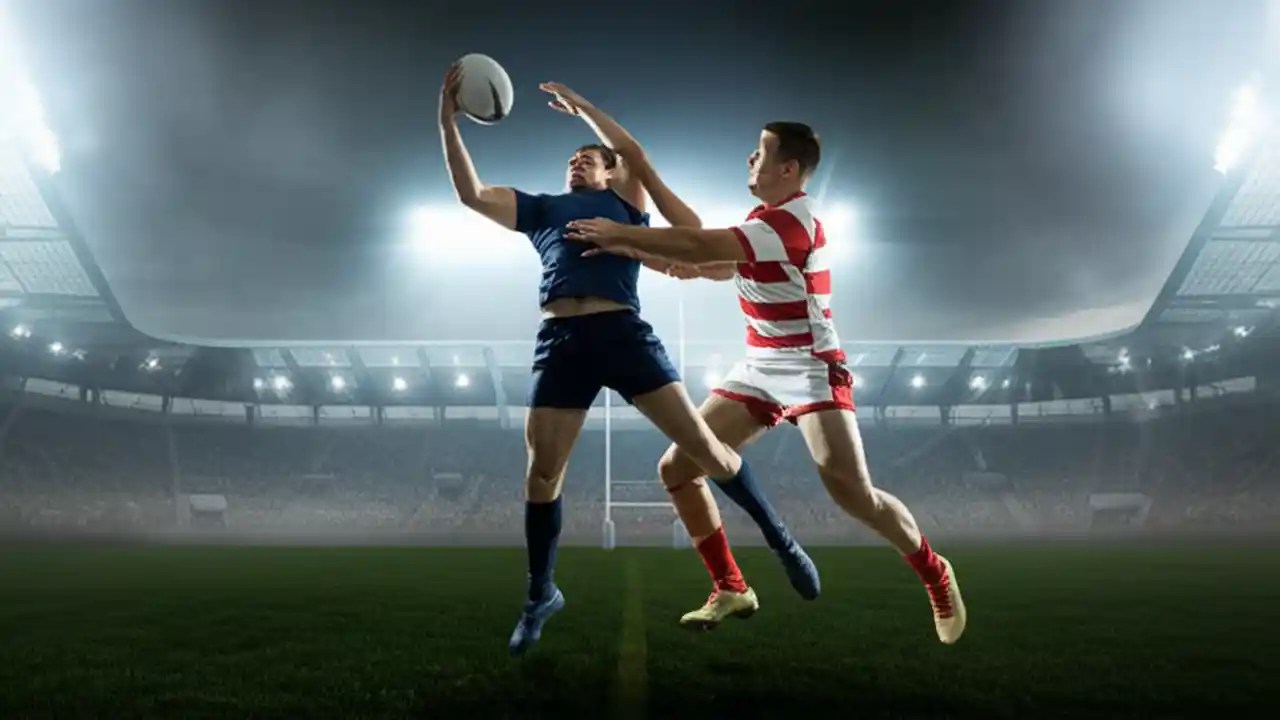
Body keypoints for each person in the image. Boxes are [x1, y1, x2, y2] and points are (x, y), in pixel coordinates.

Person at [438, 68, 819, 653]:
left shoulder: (624, 202)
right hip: (561, 341)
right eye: (572, 159)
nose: (578, 163)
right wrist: (448, 121)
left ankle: (780, 540)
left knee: (705, 450)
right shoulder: (543, 210)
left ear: (610, 171)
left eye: (588, 158)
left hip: (621, 331)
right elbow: (470, 194)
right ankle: (541, 594)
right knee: (542, 473)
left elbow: (630, 151)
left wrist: (583, 106)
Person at [566, 121, 967, 644]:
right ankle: (730, 587)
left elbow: (693, 244)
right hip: (760, 366)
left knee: (852, 493)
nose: (749, 160)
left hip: (810, 367)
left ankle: (934, 571)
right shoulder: (762, 222)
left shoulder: (792, 224)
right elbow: (702, 262)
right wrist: (638, 245)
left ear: (789, 169)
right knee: (678, 467)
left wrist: (619, 231)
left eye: (760, 153)